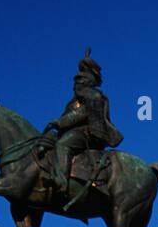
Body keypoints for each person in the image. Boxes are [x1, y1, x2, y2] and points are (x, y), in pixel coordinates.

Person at [45, 50, 123, 206]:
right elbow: (68, 114)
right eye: (76, 81)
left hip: (87, 133)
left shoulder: (93, 97)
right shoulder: (74, 100)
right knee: (45, 142)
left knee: (62, 145)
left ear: (88, 81)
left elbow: (81, 114)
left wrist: (59, 122)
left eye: (80, 81)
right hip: (73, 131)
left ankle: (60, 182)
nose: (76, 84)